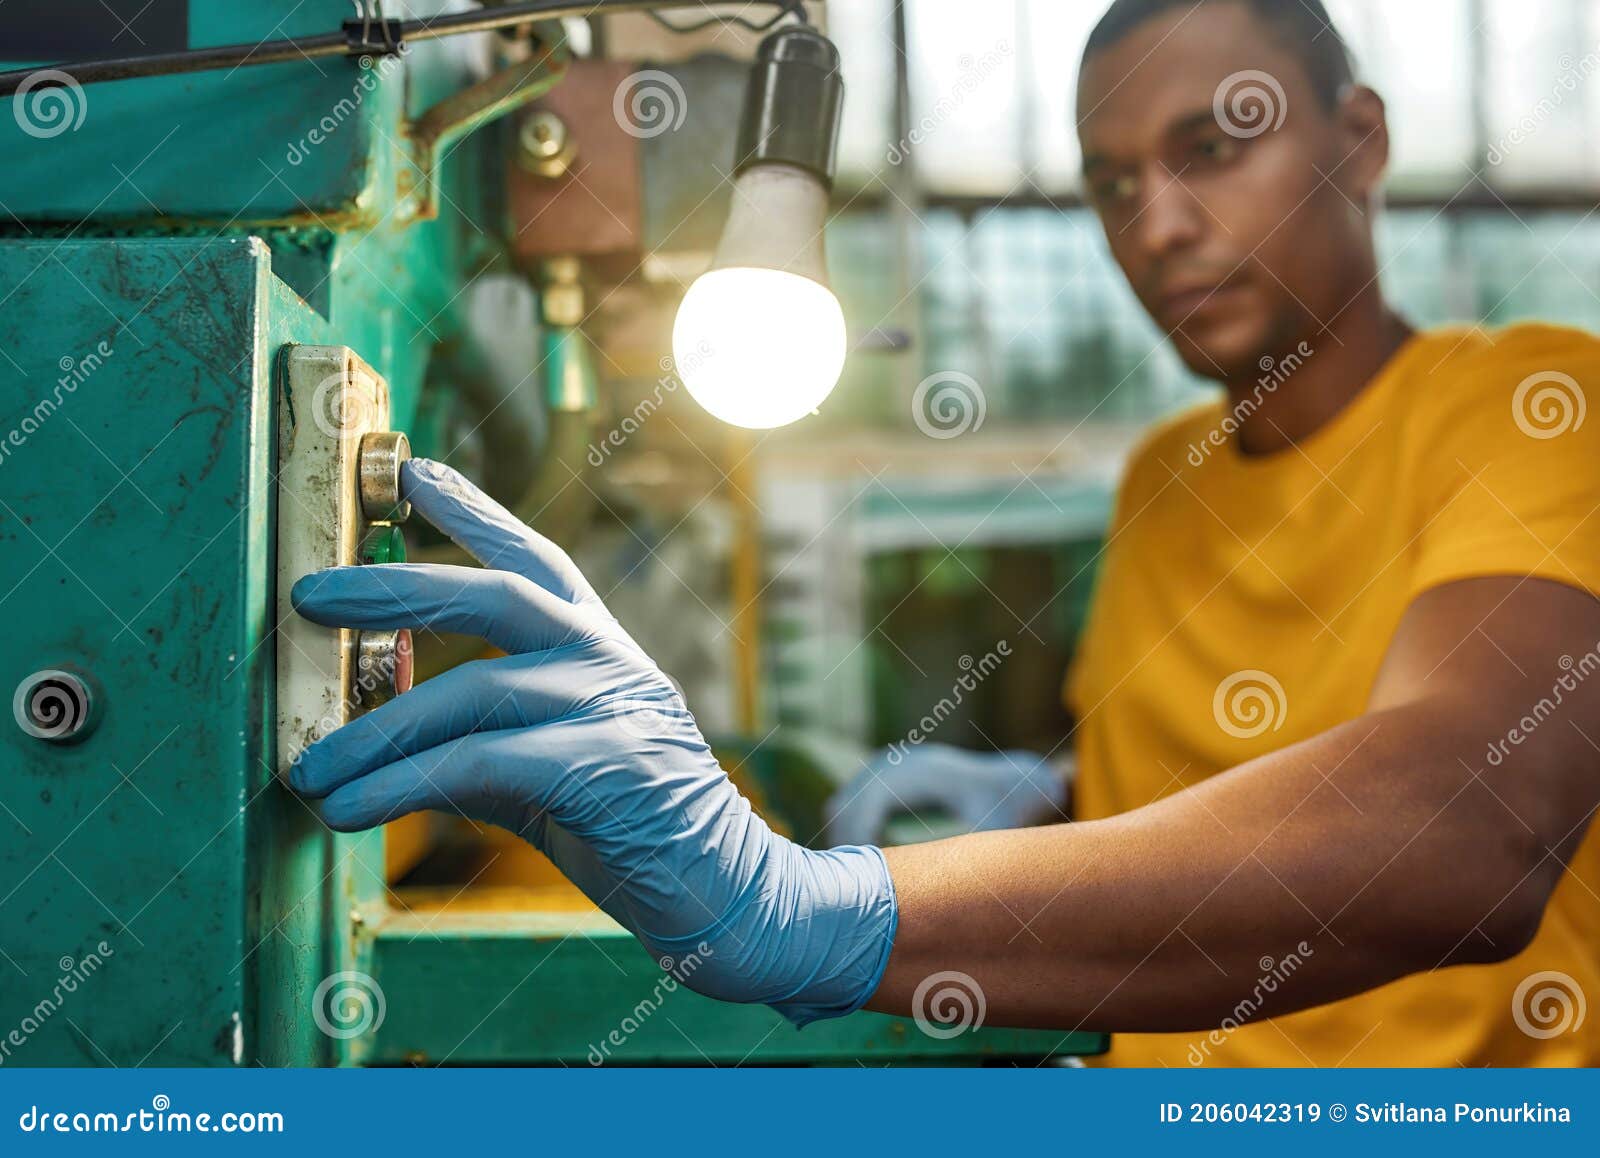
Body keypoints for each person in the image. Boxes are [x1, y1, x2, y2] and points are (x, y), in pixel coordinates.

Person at [288, 0, 1600, 1065]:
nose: (1158, 225)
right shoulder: (1165, 479)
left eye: (1213, 146)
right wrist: (1040, 795)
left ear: (1359, 139)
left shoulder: (1529, 407)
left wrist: (809, 906)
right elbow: (1185, 795)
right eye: (1110, 181)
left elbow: (1473, 824)